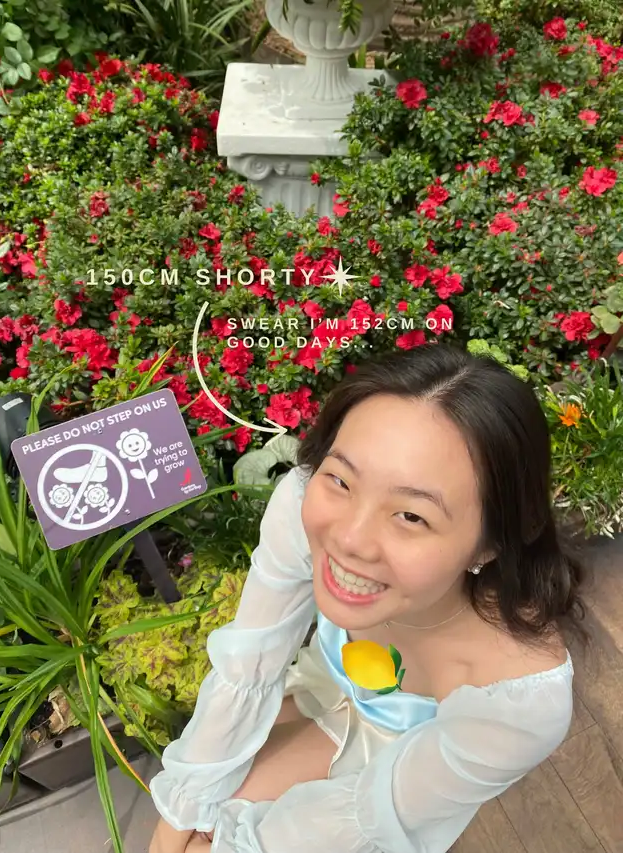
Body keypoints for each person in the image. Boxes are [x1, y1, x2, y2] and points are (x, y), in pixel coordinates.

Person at [149, 342, 590, 853]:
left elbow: (367, 814)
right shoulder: (304, 504)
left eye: (411, 516)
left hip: (405, 779)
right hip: (317, 692)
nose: (350, 538)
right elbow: (249, 662)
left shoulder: (519, 700)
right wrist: (179, 811)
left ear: (491, 544)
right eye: (341, 479)